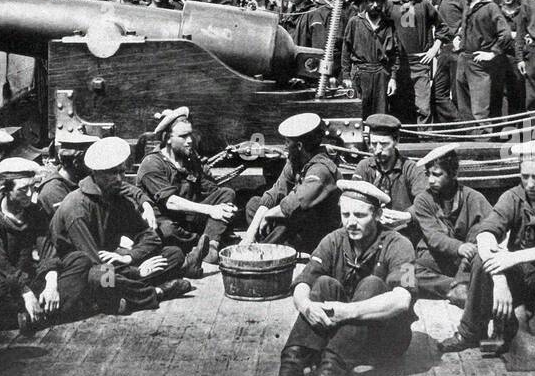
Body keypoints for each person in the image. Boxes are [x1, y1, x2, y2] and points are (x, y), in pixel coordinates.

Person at [438, 143, 535, 376]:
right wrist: (499, 278)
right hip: (517, 277)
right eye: (524, 176)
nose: (529, 184)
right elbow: (485, 234)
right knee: (480, 258)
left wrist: (510, 258)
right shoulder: (514, 196)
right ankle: (470, 332)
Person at [277, 180, 416, 376]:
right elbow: (303, 282)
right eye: (345, 215)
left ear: (378, 215)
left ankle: (329, 374)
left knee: (373, 284)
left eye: (360, 215)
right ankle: (291, 366)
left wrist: (348, 312)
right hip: (342, 336)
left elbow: (403, 299)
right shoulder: (333, 240)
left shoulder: (402, 246)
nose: (351, 222)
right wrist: (307, 306)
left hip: (385, 341)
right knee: (324, 283)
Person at [50, 136, 193, 316]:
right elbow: (93, 261)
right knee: (101, 277)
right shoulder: (77, 208)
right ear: (95, 173)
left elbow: (150, 237)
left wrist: (129, 258)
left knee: (174, 254)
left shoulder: (117, 198)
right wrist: (138, 272)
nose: (119, 179)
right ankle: (155, 292)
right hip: (81, 271)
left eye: (122, 172)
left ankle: (123, 296)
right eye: (112, 173)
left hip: (115, 261)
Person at [136, 107, 239, 275]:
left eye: (190, 135)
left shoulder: (189, 159)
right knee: (167, 230)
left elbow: (209, 189)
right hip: (167, 219)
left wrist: (226, 206)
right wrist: (212, 210)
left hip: (190, 217)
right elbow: (170, 202)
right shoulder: (152, 164)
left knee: (227, 193)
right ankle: (204, 241)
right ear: (167, 139)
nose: (190, 140)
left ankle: (210, 246)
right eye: (183, 136)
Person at [0, 157, 63, 333]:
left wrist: (52, 285)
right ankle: (45, 312)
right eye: (23, 189)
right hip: (3, 281)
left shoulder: (34, 211)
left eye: (33, 187)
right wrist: (26, 292)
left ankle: (29, 315)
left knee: (78, 261)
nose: (30, 194)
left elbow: (47, 248)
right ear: (5, 189)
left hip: (28, 276)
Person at [243, 113, 342, 252]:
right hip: (299, 226)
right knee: (254, 204)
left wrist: (267, 215)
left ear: (300, 145)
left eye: (287, 142)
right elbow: (275, 193)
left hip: (320, 232)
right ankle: (271, 245)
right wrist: (249, 234)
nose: (284, 147)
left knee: (292, 217)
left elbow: (294, 204)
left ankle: (263, 250)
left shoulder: (321, 169)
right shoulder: (295, 161)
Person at [411, 143, 492, 307]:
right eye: (428, 175)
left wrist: (469, 250)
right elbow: (433, 237)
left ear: (453, 173)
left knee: (478, 255)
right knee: (403, 274)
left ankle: (462, 287)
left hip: (466, 264)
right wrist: (459, 247)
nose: (431, 180)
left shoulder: (474, 199)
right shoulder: (423, 200)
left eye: (437, 174)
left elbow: (488, 232)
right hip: (435, 259)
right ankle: (456, 288)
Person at [454, 0, 514, 119]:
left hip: (479, 63)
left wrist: (493, 53)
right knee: (464, 108)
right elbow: (467, 27)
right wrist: (459, 37)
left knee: (480, 109)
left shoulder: (490, 7)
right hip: (463, 59)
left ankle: (484, 139)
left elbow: (505, 33)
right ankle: (469, 138)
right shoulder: (467, 4)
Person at [352, 112, 427, 228]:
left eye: (384, 144)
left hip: (404, 232)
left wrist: (407, 216)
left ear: (396, 140)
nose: (377, 150)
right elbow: (352, 201)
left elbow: (426, 202)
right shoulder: (364, 167)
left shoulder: (411, 169)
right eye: (373, 144)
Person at [341, 0, 400, 121]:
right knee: (358, 114)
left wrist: (393, 78)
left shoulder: (389, 24)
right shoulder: (355, 22)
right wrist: (346, 76)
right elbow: (346, 51)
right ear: (365, 2)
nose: (375, 5)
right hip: (360, 74)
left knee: (380, 116)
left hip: (381, 74)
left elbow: (395, 54)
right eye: (371, 1)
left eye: (378, 1)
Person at [389, 0, 441, 122]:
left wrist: (434, 49)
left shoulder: (424, 4)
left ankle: (426, 140)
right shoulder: (390, 5)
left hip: (420, 62)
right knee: (399, 105)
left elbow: (443, 27)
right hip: (398, 64)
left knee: (423, 106)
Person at [430, 0, 467, 122]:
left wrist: (460, 35)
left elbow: (468, 17)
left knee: (458, 92)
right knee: (438, 93)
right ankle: (456, 124)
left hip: (456, 48)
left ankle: (465, 128)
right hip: (443, 49)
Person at [497, 0, 528, 117]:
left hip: (517, 57)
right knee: (500, 92)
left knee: (518, 90)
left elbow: (528, 33)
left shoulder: (522, 12)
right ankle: (503, 125)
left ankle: (519, 124)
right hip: (499, 56)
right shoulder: (497, 11)